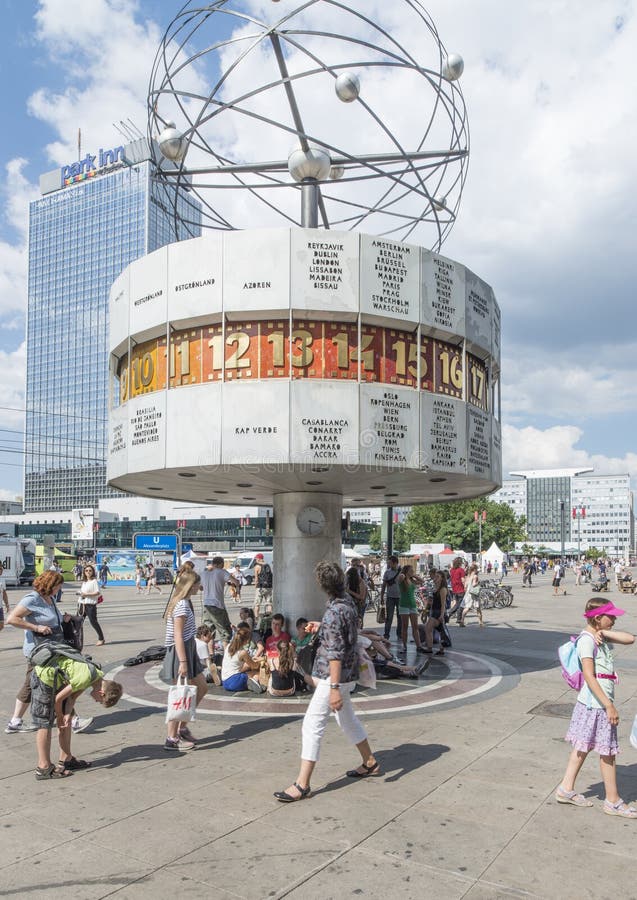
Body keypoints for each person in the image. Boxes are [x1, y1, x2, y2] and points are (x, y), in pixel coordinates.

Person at [274, 561, 380, 803]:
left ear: (322, 585)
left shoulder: (334, 611)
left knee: (312, 724)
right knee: (347, 719)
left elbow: (335, 652)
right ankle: (370, 762)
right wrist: (322, 627)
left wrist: (333, 688)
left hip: (333, 677)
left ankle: (302, 784)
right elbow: (342, 632)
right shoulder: (346, 602)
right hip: (346, 673)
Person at [556, 599, 636, 817]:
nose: (615, 619)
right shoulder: (586, 642)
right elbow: (590, 677)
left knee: (582, 747)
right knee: (607, 752)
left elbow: (631, 639)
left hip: (592, 703)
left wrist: (607, 633)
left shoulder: (597, 636)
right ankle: (613, 801)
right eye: (611, 616)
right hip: (597, 704)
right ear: (598, 618)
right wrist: (609, 706)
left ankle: (565, 789)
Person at [30, 645, 122, 779]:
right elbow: (57, 699)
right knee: (45, 723)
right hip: (44, 679)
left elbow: (72, 697)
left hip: (57, 680)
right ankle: (43, 768)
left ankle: (66, 758)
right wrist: (60, 717)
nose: (96, 701)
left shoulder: (96, 675)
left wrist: (67, 714)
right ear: (101, 693)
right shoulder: (85, 678)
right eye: (99, 701)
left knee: (67, 720)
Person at [5, 571, 66, 735]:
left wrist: (64, 619)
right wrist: (36, 627)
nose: (59, 589)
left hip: (51, 648)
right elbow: (12, 619)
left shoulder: (50, 599)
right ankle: (71, 719)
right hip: (38, 651)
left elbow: (53, 619)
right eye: (58, 585)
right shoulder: (32, 598)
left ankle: (15, 721)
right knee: (36, 684)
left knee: (50, 683)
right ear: (50, 584)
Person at [160, 569, 208, 750]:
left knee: (201, 687)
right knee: (178, 697)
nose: (198, 586)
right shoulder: (180, 605)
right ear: (190, 585)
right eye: (197, 583)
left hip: (188, 648)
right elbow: (177, 636)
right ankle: (171, 738)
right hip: (180, 651)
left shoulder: (185, 602)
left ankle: (182, 727)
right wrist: (183, 662)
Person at [200, 557, 238, 647]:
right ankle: (226, 656)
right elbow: (236, 581)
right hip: (217, 605)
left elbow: (200, 588)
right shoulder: (222, 572)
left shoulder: (204, 573)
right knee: (224, 632)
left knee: (208, 631)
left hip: (206, 605)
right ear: (221, 564)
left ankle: (210, 655)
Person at [220, 622, 264, 692]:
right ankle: (253, 683)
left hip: (225, 682)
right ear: (246, 641)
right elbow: (254, 666)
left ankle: (251, 683)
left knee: (247, 673)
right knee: (257, 673)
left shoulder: (229, 646)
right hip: (235, 681)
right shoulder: (243, 653)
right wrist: (261, 661)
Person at [397, 565, 427, 655]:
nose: (412, 571)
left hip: (413, 605)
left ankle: (419, 646)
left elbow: (422, 581)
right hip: (404, 605)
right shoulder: (402, 578)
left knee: (415, 626)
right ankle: (404, 646)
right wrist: (404, 574)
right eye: (411, 570)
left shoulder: (412, 580)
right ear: (406, 571)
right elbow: (400, 578)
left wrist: (413, 575)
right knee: (405, 627)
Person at [77, 564, 105, 645]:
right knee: (78, 623)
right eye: (86, 570)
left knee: (93, 622)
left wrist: (86, 594)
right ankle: (77, 640)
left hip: (90, 605)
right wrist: (80, 593)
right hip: (82, 604)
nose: (88, 572)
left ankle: (101, 638)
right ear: (84, 572)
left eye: (90, 570)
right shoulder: (85, 582)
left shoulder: (94, 581)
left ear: (93, 572)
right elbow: (83, 592)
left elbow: (97, 592)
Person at [423, 570, 448, 654]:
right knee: (440, 630)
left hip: (438, 612)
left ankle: (430, 648)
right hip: (434, 611)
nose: (435, 578)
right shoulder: (436, 588)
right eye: (435, 576)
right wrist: (428, 607)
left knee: (428, 628)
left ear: (442, 579)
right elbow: (435, 601)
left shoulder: (442, 589)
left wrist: (441, 615)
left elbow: (443, 603)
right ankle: (440, 649)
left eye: (438, 577)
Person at [380, 555, 401, 642]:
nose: (389, 565)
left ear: (395, 563)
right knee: (389, 617)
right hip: (390, 597)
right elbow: (384, 585)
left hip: (400, 597)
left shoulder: (401, 572)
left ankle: (399, 634)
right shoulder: (387, 572)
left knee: (400, 617)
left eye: (390, 563)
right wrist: (381, 596)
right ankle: (386, 635)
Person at [460, 563, 482, 628]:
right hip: (474, 594)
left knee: (466, 607)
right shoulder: (475, 576)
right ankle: (480, 622)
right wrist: (478, 582)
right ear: (474, 569)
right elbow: (474, 584)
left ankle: (462, 620)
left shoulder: (468, 576)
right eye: (476, 569)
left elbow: (465, 585)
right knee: (478, 608)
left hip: (468, 593)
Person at [253, 553, 273, 618]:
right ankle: (269, 617)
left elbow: (256, 578)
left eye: (256, 558)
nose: (255, 560)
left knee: (257, 604)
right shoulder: (268, 565)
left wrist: (256, 586)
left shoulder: (257, 567)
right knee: (269, 603)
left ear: (259, 558)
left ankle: (256, 618)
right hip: (269, 587)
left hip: (260, 587)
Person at [448, 557, 466, 623]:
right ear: (460, 563)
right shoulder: (461, 570)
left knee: (459, 603)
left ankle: (459, 619)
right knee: (459, 604)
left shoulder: (452, 570)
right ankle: (449, 613)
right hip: (460, 589)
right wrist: (466, 588)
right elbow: (463, 580)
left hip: (454, 589)